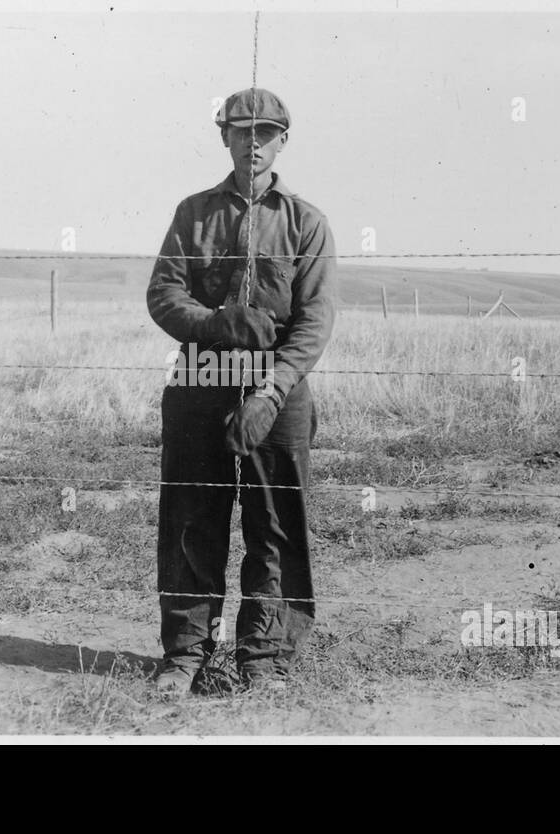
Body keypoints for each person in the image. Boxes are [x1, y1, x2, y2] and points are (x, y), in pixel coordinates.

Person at [146, 87, 336, 694]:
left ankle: (266, 659)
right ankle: (183, 657)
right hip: (202, 381)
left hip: (275, 391)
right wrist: (215, 324)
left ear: (283, 140)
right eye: (239, 131)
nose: (251, 143)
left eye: (264, 133)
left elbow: (313, 321)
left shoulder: (306, 222)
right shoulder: (193, 213)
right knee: (191, 521)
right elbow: (164, 293)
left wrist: (271, 392)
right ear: (223, 137)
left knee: (275, 526)